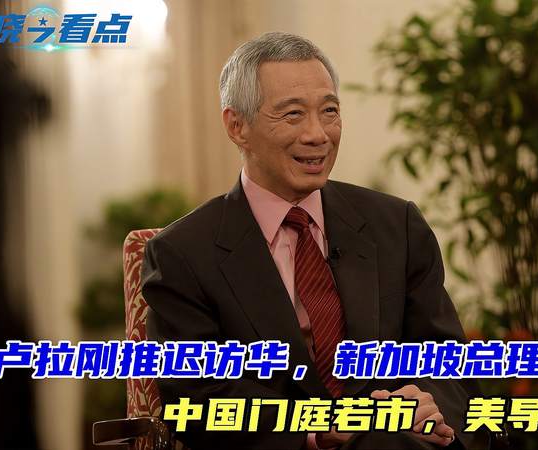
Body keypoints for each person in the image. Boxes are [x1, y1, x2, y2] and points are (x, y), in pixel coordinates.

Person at [142, 31, 488, 450]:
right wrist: (320, 427)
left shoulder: (397, 226)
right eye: (292, 114)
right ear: (237, 126)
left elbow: (451, 365)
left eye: (329, 111)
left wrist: (427, 408)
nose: (318, 134)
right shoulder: (183, 254)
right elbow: (197, 401)